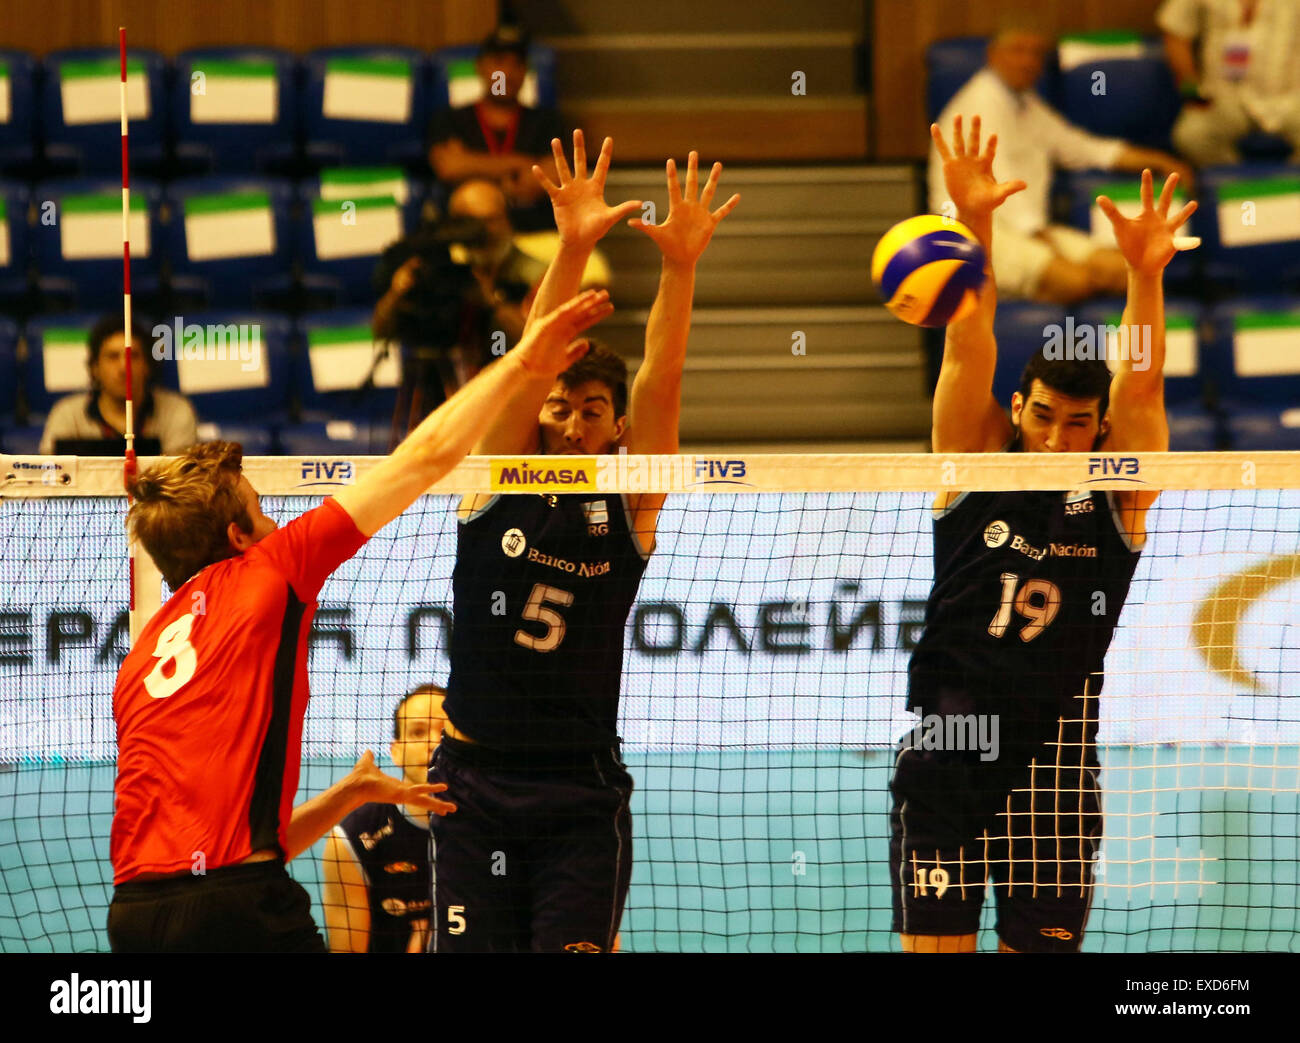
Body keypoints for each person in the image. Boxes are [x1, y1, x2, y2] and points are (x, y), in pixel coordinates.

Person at [106, 287, 614, 953]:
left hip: (136, 918)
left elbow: (232, 849)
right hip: (242, 911)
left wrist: (347, 795)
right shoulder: (272, 567)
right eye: (262, 511)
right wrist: (523, 361)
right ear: (236, 537)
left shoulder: (139, 661)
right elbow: (426, 457)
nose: (276, 521)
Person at [428, 130, 739, 953]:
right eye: (559, 408)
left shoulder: (629, 502)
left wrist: (679, 265)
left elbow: (660, 381)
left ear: (616, 429)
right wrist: (571, 248)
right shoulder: (494, 480)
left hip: (579, 794)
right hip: (473, 787)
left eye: (591, 410)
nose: (569, 421)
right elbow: (527, 366)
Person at [894, 115, 1196, 953]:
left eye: (1077, 425)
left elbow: (1143, 385)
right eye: (1042, 418)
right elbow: (966, 348)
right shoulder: (971, 465)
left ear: (1098, 431)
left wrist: (1143, 273)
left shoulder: (1115, 496)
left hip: (1057, 779)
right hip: (948, 759)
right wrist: (975, 224)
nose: (1058, 439)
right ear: (1016, 411)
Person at [928, 28, 1194, 304]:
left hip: (1027, 228)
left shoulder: (1026, 103)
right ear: (993, 55)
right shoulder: (979, 104)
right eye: (1018, 50)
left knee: (1127, 271)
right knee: (1074, 282)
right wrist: (1047, 245)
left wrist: (1159, 160)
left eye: (1036, 53)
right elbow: (1000, 193)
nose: (1028, 62)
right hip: (975, 233)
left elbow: (1082, 148)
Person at [322, 684, 448, 954]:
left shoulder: (495, 828)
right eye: (417, 732)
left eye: (445, 732)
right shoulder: (353, 838)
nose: (432, 744)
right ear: (396, 751)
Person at [428, 25, 563, 232]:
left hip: (535, 234)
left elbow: (554, 176)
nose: (507, 73)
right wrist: (523, 164)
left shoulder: (546, 121)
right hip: (470, 236)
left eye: (517, 64)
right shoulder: (450, 119)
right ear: (480, 67)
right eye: (499, 62)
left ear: (526, 70)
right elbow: (450, 167)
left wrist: (473, 165)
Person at [1158, 0, 1300, 165]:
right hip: (1223, 96)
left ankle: (1290, 182)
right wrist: (1192, 92)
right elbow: (1175, 31)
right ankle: (1237, 181)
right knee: (1191, 135)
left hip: (1290, 95)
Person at [39, 315, 198, 454]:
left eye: (133, 356)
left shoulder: (177, 411)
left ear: (148, 365)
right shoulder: (67, 414)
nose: (124, 367)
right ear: (95, 368)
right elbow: (51, 476)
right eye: (112, 357)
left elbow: (178, 482)